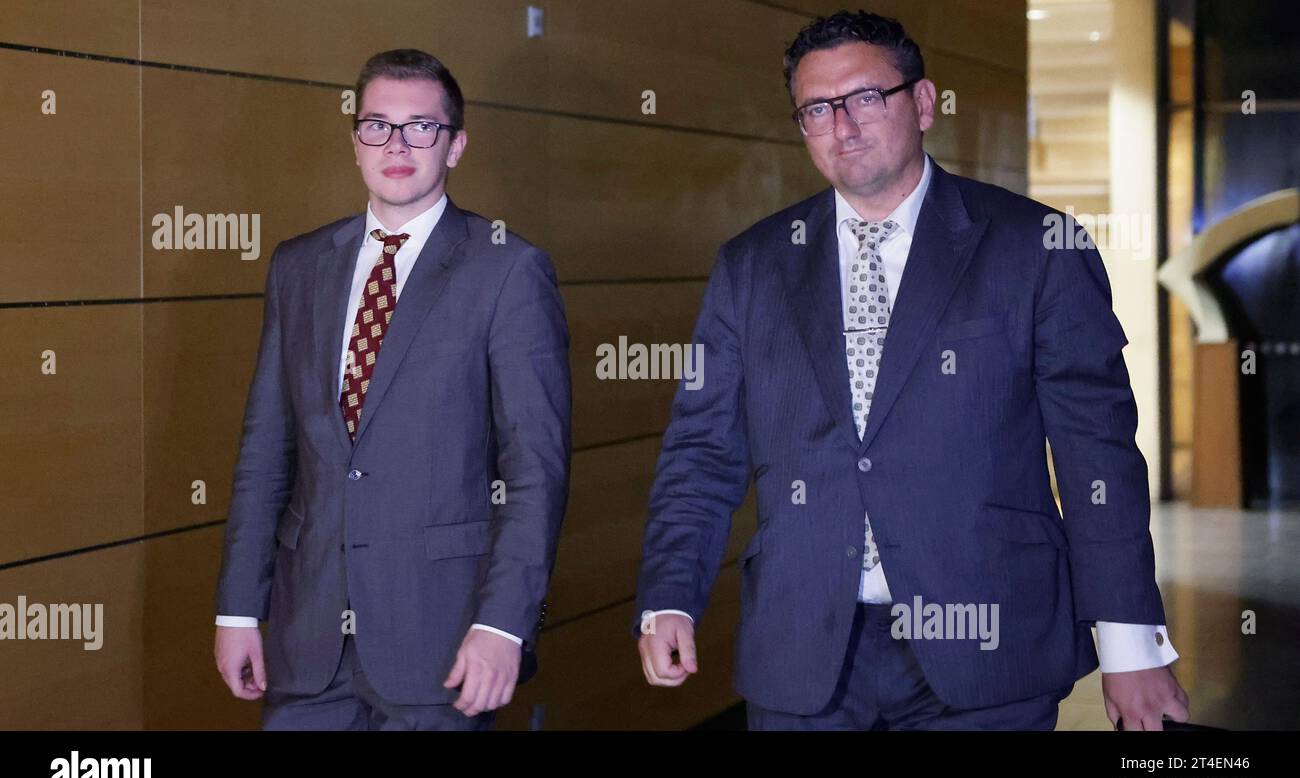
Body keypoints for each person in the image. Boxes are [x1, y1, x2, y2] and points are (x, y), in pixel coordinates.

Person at [634, 11, 1190, 731]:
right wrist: (669, 595)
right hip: (804, 651)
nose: (843, 126)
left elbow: (1098, 455)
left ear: (923, 103)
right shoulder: (753, 265)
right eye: (816, 110)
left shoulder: (1036, 246)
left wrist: (1128, 642)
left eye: (867, 97)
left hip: (987, 644)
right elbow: (701, 451)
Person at [213, 49, 570, 730]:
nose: (397, 145)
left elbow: (536, 471)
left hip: (443, 641)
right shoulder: (298, 265)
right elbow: (265, 452)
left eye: (421, 128)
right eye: (378, 125)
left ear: (456, 145)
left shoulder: (508, 269)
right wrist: (237, 606)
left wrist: (504, 622)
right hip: (305, 638)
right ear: (355, 142)